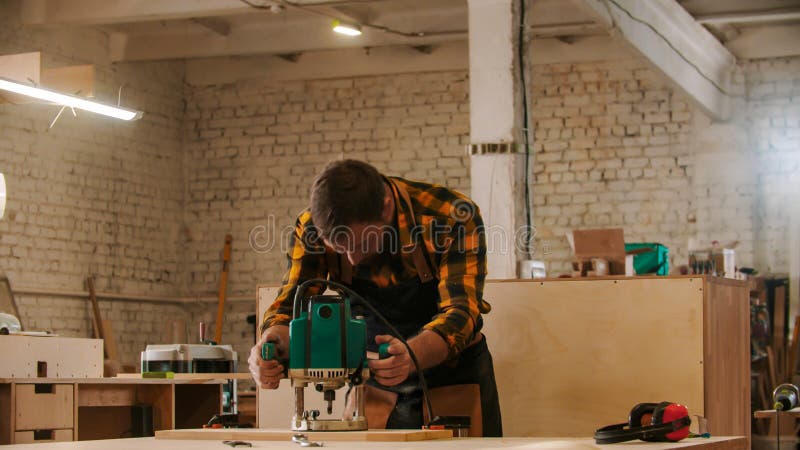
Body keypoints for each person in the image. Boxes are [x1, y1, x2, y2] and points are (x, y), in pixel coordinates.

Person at [248, 159, 502, 436]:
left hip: (453, 376)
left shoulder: (449, 217)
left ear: (386, 207)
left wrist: (410, 355)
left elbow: (460, 314)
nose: (353, 259)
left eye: (362, 244)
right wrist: (269, 346)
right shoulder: (311, 228)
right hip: (372, 382)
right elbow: (290, 306)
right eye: (340, 249)